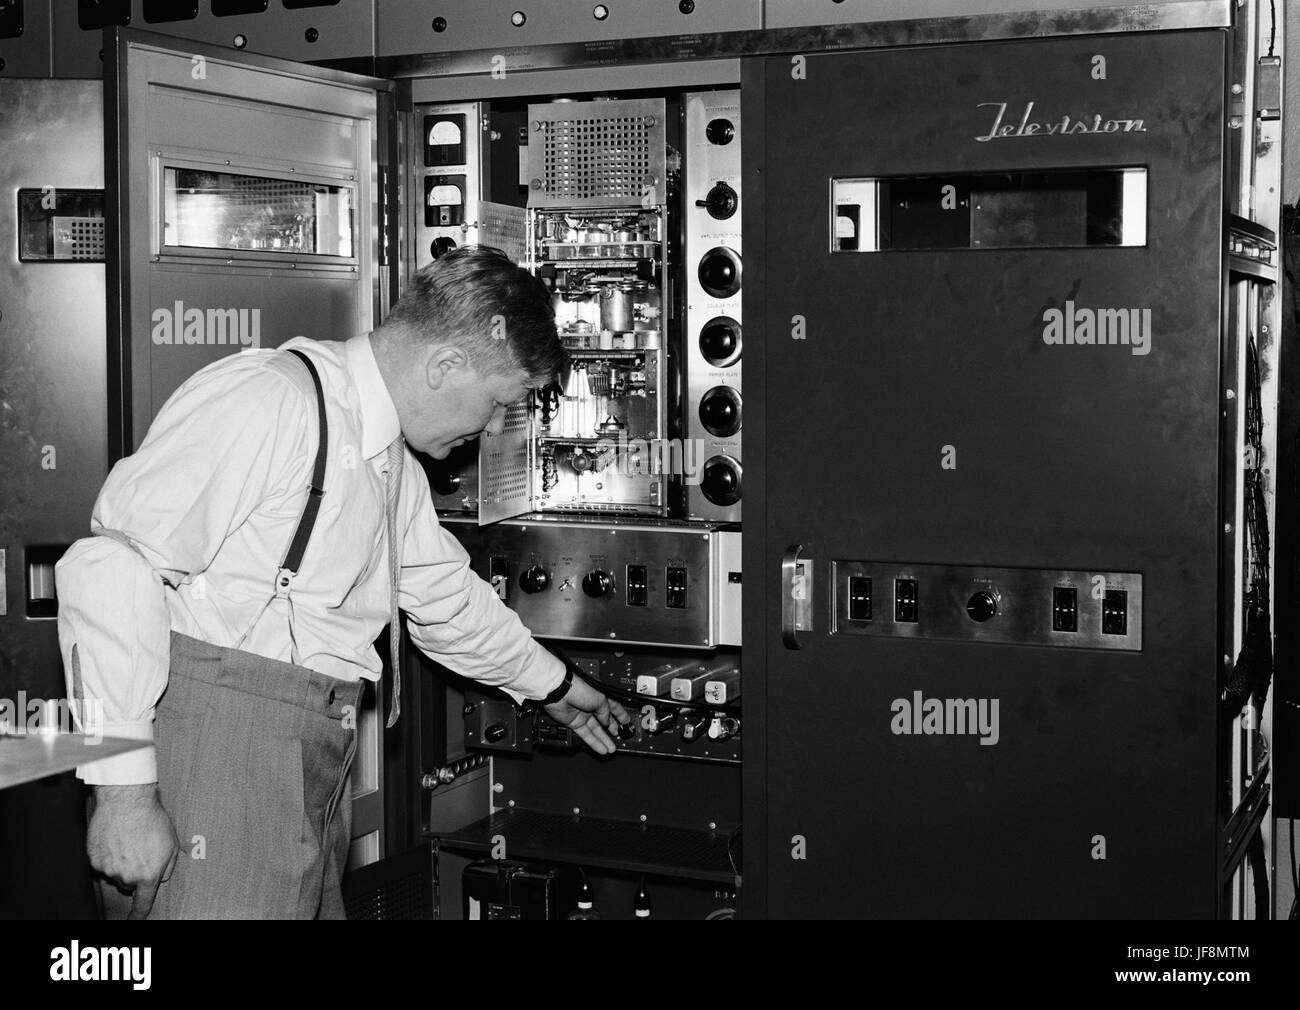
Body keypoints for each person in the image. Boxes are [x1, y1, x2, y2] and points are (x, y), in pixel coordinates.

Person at [55, 245, 631, 919]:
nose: (495, 426)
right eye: (502, 401)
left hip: (307, 773)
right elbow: (112, 566)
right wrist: (122, 790)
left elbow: (446, 601)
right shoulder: (272, 400)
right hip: (221, 766)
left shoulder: (387, 459)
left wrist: (554, 686)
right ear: (445, 364)